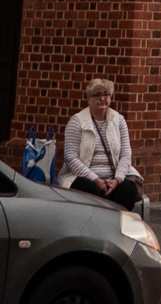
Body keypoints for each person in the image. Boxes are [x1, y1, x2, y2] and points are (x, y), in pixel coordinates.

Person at [59, 79, 146, 210]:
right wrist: (96, 179)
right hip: (84, 177)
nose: (102, 99)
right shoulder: (76, 122)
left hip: (113, 178)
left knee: (128, 189)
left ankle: (118, 225)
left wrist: (117, 180)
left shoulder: (119, 120)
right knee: (89, 189)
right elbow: (70, 157)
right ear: (89, 99)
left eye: (106, 94)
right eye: (97, 95)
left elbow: (126, 154)